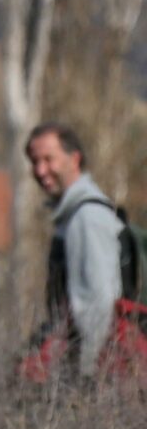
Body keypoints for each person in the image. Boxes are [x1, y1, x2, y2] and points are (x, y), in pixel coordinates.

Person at [26, 123, 127, 381]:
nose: (40, 170)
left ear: (74, 159)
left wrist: (86, 376)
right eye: (34, 161)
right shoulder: (75, 216)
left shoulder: (86, 217)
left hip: (99, 371)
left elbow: (98, 301)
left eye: (49, 159)